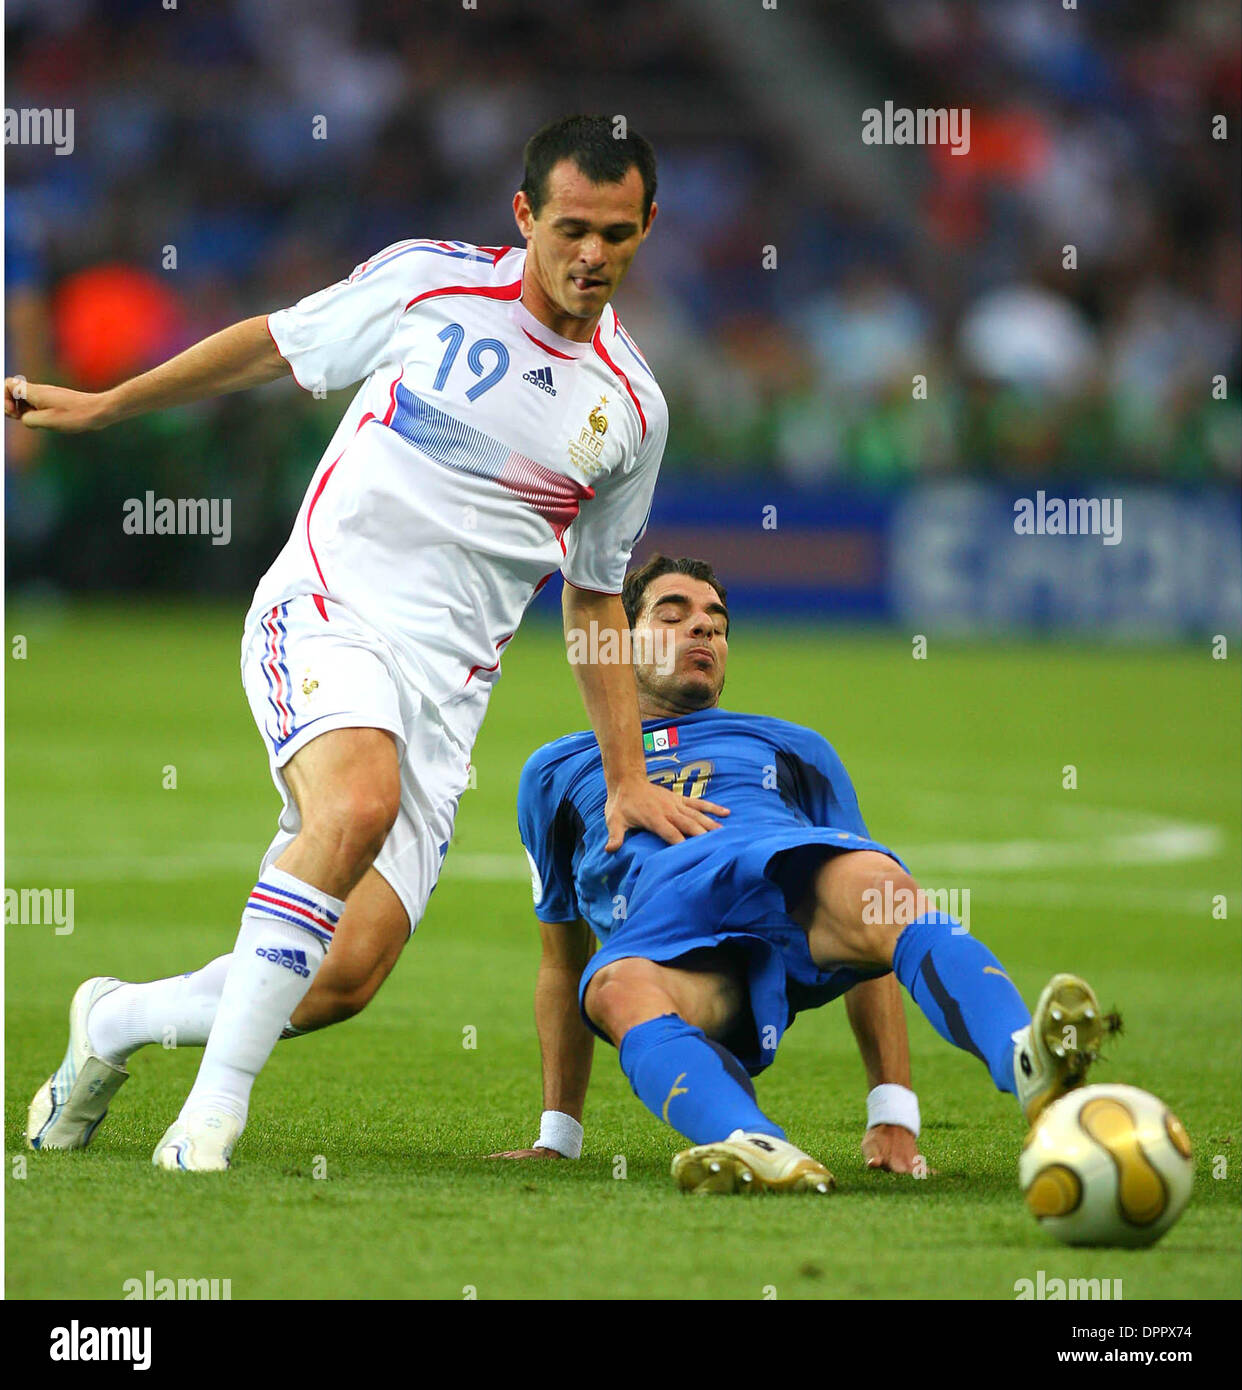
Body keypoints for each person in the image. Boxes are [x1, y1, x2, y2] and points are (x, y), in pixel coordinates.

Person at [13, 115, 729, 1172]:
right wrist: (115, 404)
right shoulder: (427, 285)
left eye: (617, 235)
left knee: (342, 975)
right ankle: (209, 1120)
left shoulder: (632, 409)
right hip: (326, 608)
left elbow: (594, 598)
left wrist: (626, 776)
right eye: (571, 227)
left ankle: (112, 1021)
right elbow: (278, 341)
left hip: (444, 696)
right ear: (524, 215)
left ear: (648, 227)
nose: (592, 256)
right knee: (354, 801)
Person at [507, 554, 1116, 1192]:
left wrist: (893, 1113)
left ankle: (1025, 1060)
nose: (703, 631)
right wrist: (558, 1135)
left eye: (717, 623)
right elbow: (561, 959)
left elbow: (873, 951)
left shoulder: (791, 746)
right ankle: (753, 1142)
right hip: (670, 936)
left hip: (785, 886)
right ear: (618, 639)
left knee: (883, 892)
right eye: (674, 614)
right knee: (614, 990)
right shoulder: (555, 772)